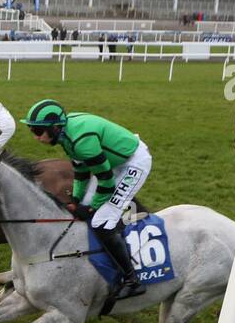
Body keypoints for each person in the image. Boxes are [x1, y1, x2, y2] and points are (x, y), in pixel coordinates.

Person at [20, 99, 152, 300]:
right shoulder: (66, 135)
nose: (36, 137)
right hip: (112, 161)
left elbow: (106, 182)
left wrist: (91, 209)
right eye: (32, 131)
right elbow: (81, 173)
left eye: (38, 131)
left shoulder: (81, 142)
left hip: (133, 162)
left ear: (55, 128)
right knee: (82, 208)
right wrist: (75, 200)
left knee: (101, 221)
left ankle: (132, 280)